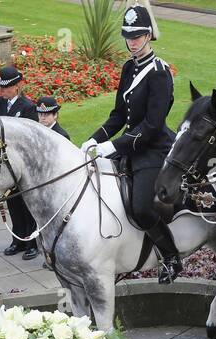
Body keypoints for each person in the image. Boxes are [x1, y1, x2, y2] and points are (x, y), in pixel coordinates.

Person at [82, 4, 183, 283]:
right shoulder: (129, 67)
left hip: (152, 149)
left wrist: (112, 147)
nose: (132, 41)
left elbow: (151, 127)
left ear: (149, 35)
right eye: (128, 35)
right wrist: (95, 138)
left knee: (140, 207)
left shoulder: (160, 72)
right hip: (129, 144)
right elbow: (118, 114)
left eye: (137, 36)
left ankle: (171, 256)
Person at [0, 65, 41, 261]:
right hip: (6, 163)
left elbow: (30, 137)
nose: (1, 91)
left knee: (25, 203)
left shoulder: (28, 107)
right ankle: (17, 239)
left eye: (5, 87)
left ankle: (31, 242)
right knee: (12, 201)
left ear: (16, 87)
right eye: (0, 87)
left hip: (21, 162)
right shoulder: (0, 104)